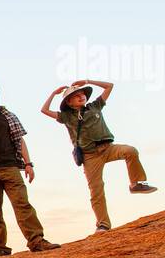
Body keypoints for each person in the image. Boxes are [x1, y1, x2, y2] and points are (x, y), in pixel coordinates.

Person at [0, 80, 60, 258]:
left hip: (9, 166)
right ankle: (0, 247)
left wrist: (28, 164)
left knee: (22, 203)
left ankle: (36, 240)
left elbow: (19, 140)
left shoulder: (7, 115)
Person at [41, 80, 157, 233]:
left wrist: (88, 81)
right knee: (96, 190)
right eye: (76, 96)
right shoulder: (66, 117)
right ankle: (102, 224)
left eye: (82, 93)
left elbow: (110, 86)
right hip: (90, 156)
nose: (81, 96)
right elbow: (44, 110)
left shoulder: (95, 105)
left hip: (108, 148)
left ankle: (136, 184)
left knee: (131, 151)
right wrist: (53, 94)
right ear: (69, 102)